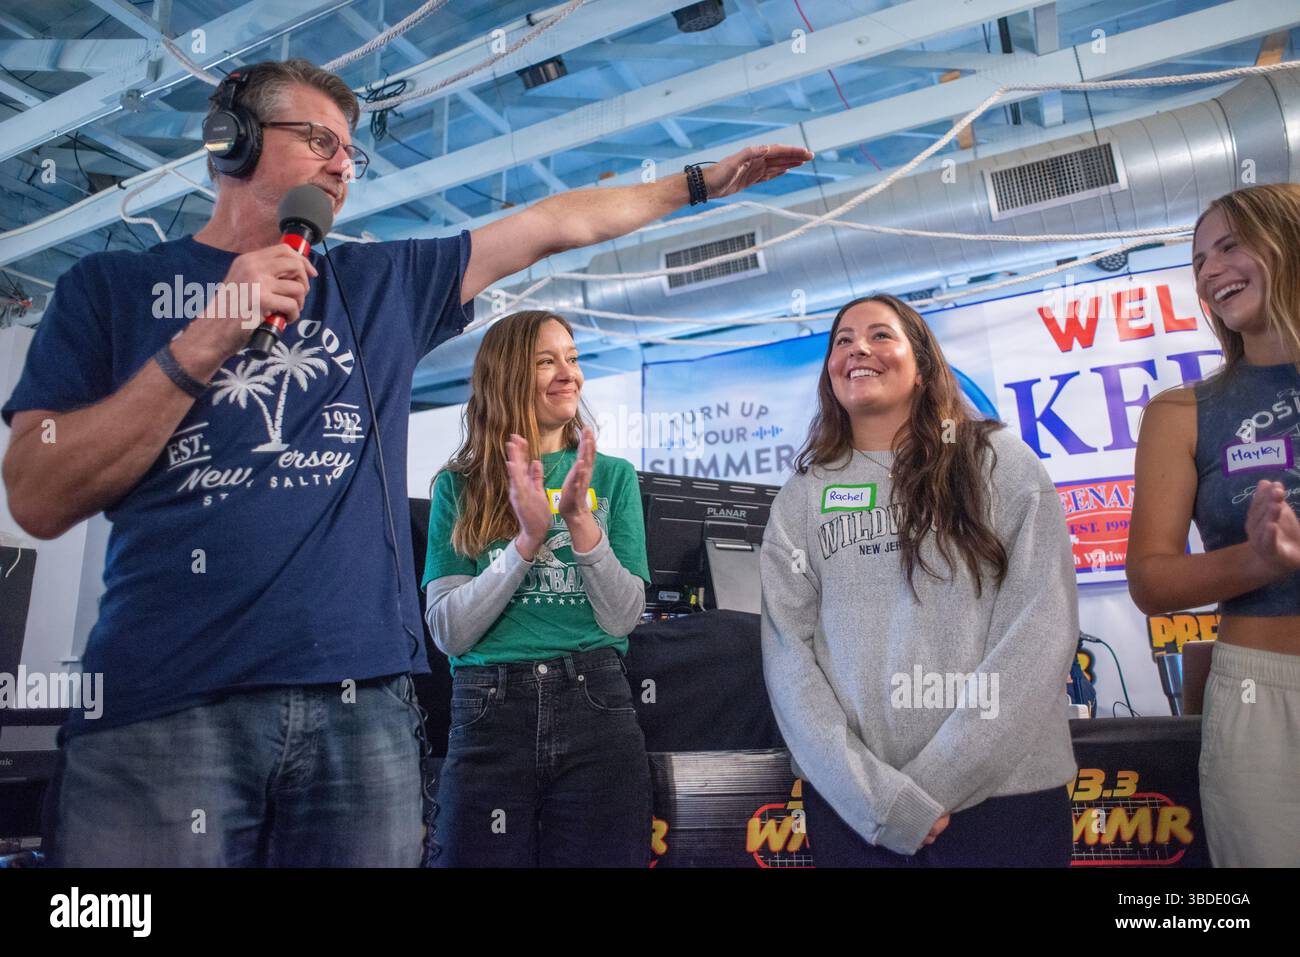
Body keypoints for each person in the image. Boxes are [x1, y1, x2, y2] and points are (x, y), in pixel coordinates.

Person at [0, 56, 812, 867]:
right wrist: (209, 334)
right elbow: (37, 494)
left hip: (360, 716)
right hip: (165, 708)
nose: (341, 165)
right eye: (317, 138)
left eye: (351, 150)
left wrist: (698, 184)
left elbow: (552, 223)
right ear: (231, 142)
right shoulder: (110, 288)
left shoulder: (378, 284)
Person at [759, 294, 1079, 867]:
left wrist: (932, 787)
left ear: (923, 364)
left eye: (881, 335)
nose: (858, 348)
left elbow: (1041, 630)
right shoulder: (801, 498)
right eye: (843, 340)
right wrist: (874, 797)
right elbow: (788, 657)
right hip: (856, 814)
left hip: (1004, 803)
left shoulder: (999, 464)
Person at [421, 310, 650, 867]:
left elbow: (623, 619)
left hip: (595, 702)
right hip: (490, 710)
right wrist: (526, 543)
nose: (568, 373)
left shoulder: (613, 477)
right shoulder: (461, 486)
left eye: (572, 359)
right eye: (547, 361)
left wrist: (581, 523)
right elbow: (449, 631)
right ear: (507, 376)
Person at [1128, 183, 1300, 868]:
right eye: (1199, 260)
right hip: (1258, 692)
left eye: (1230, 245)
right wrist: (1259, 561)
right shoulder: (1182, 410)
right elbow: (1150, 579)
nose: (1211, 270)